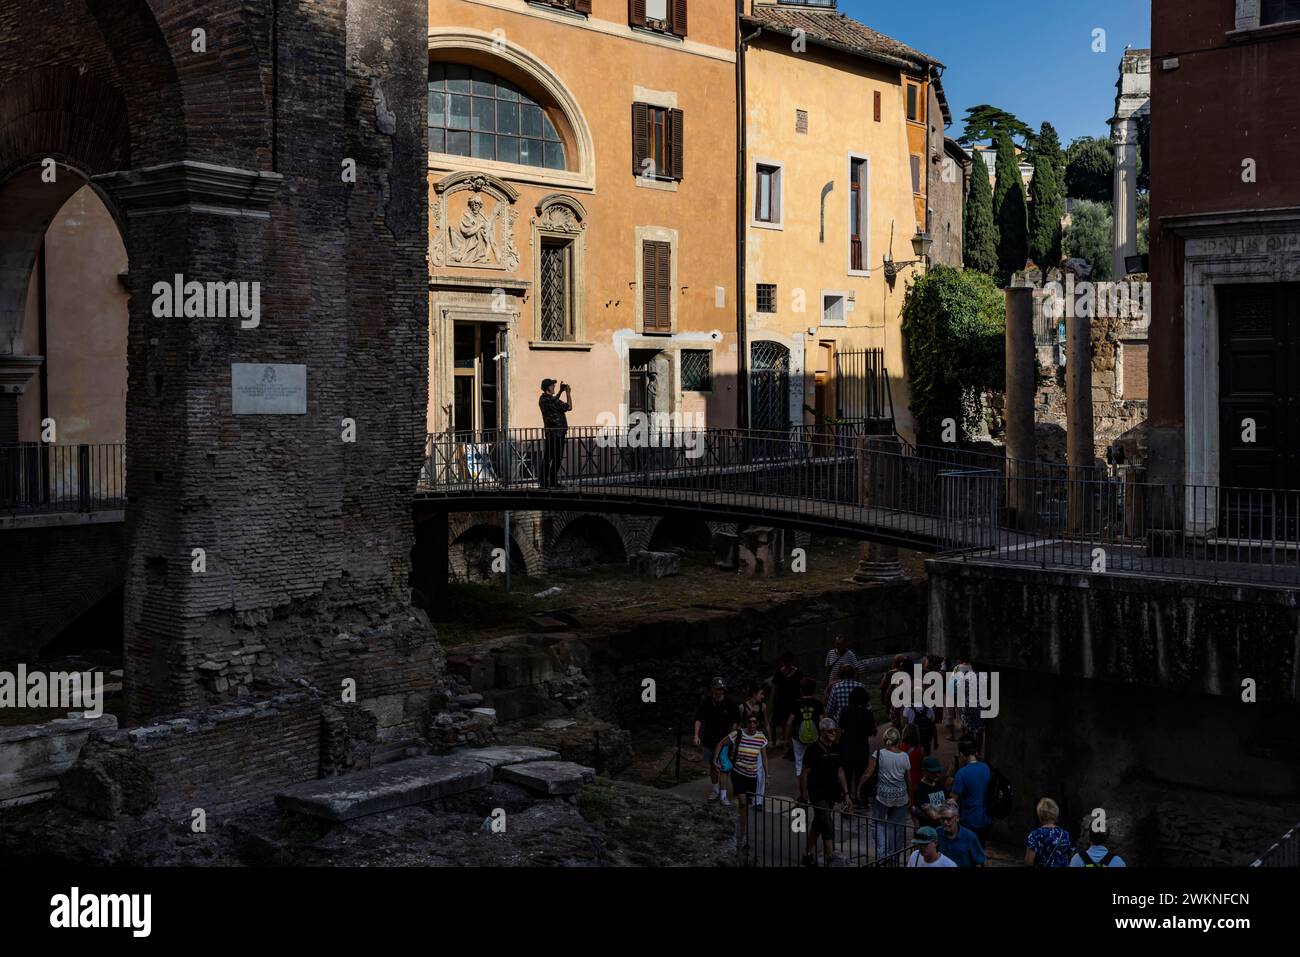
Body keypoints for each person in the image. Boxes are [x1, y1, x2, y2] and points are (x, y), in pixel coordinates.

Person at [800, 718, 851, 867]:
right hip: (817, 793)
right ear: (822, 732)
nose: (834, 733)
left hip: (831, 793)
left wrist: (846, 794)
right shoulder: (813, 749)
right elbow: (804, 773)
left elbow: (840, 771)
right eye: (830, 731)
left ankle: (808, 854)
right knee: (827, 823)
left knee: (818, 824)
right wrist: (804, 794)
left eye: (835, 730)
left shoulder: (836, 748)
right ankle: (830, 858)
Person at [717, 713, 767, 854]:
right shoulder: (737, 734)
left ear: (757, 723)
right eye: (749, 722)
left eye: (754, 722)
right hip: (738, 772)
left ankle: (742, 833)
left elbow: (764, 757)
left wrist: (767, 774)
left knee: (744, 806)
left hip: (751, 775)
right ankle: (740, 835)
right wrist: (716, 760)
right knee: (742, 801)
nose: (752, 724)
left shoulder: (761, 737)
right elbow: (721, 743)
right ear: (746, 723)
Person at [863, 727, 911, 863]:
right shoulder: (904, 756)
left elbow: (868, 773)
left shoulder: (879, 754)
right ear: (898, 741)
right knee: (896, 827)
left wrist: (858, 787)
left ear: (885, 739)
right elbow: (908, 778)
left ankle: (883, 854)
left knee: (877, 823)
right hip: (901, 795)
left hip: (883, 796)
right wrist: (910, 795)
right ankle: (895, 857)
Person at [692, 677, 740, 806]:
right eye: (718, 689)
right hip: (709, 740)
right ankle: (715, 790)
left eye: (722, 689)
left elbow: (736, 720)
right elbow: (698, 719)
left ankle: (724, 795)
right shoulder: (706, 702)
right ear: (712, 689)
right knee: (713, 767)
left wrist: (732, 735)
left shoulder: (730, 703)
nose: (721, 691)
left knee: (724, 767)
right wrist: (696, 735)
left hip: (724, 740)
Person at [785, 677, 824, 797]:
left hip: (798, 738)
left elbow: (789, 723)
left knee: (799, 763)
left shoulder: (796, 703)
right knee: (814, 763)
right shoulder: (818, 704)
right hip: (815, 738)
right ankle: (815, 789)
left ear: (801, 690)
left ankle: (802, 793)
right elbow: (822, 721)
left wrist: (787, 740)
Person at [949, 737, 992, 844]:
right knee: (980, 850)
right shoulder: (986, 767)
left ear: (962, 754)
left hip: (968, 820)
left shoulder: (961, 773)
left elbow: (953, 800)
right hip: (985, 817)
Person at [837, 686, 876, 802]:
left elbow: (841, 726)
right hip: (862, 746)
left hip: (847, 745)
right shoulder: (868, 713)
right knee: (861, 773)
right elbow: (871, 731)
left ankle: (847, 797)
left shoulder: (845, 710)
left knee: (847, 773)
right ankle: (860, 796)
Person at [538, 378, 571, 488]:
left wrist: (560, 392)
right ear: (548, 387)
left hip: (550, 433)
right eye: (552, 386)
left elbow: (554, 402)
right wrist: (567, 393)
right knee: (556, 458)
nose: (554, 387)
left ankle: (543, 482)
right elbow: (569, 407)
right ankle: (552, 481)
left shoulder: (543, 399)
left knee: (548, 457)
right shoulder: (551, 400)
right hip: (558, 434)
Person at [739, 683, 768, 807]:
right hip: (746, 739)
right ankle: (748, 794)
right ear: (754, 694)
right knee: (746, 768)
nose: (763, 696)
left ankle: (759, 801)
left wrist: (770, 739)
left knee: (760, 770)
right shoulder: (742, 707)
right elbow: (739, 724)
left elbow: (766, 723)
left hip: (758, 738)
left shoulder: (763, 707)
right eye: (761, 693)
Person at [1025, 797, 1075, 867]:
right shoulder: (1065, 834)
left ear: (1040, 814)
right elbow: (1072, 858)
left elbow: (1029, 861)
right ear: (1055, 813)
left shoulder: (1035, 835)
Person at [769, 652, 803, 750]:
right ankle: (785, 743)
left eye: (789, 661)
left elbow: (801, 688)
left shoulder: (798, 673)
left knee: (793, 723)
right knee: (782, 722)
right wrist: (771, 703)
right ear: (782, 662)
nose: (787, 663)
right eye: (785, 661)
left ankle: (791, 743)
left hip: (794, 702)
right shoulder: (779, 673)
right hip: (781, 702)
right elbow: (774, 689)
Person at [912, 755, 947, 829]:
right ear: (924, 771)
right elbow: (933, 816)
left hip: (944, 829)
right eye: (933, 772)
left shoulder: (939, 785)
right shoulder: (920, 790)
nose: (937, 774)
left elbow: (951, 803)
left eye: (938, 771)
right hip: (930, 831)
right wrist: (948, 813)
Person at [899, 723, 925, 789]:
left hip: (902, 778)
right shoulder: (920, 750)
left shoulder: (899, 748)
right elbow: (922, 766)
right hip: (916, 778)